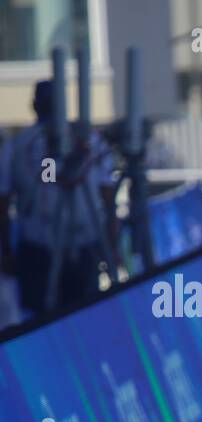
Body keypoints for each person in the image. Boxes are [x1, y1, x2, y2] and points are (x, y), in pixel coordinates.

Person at [0, 79, 117, 314]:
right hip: (39, 251)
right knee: (43, 317)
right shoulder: (22, 145)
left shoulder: (90, 142)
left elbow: (107, 195)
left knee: (85, 313)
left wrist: (111, 246)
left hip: (81, 246)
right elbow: (45, 182)